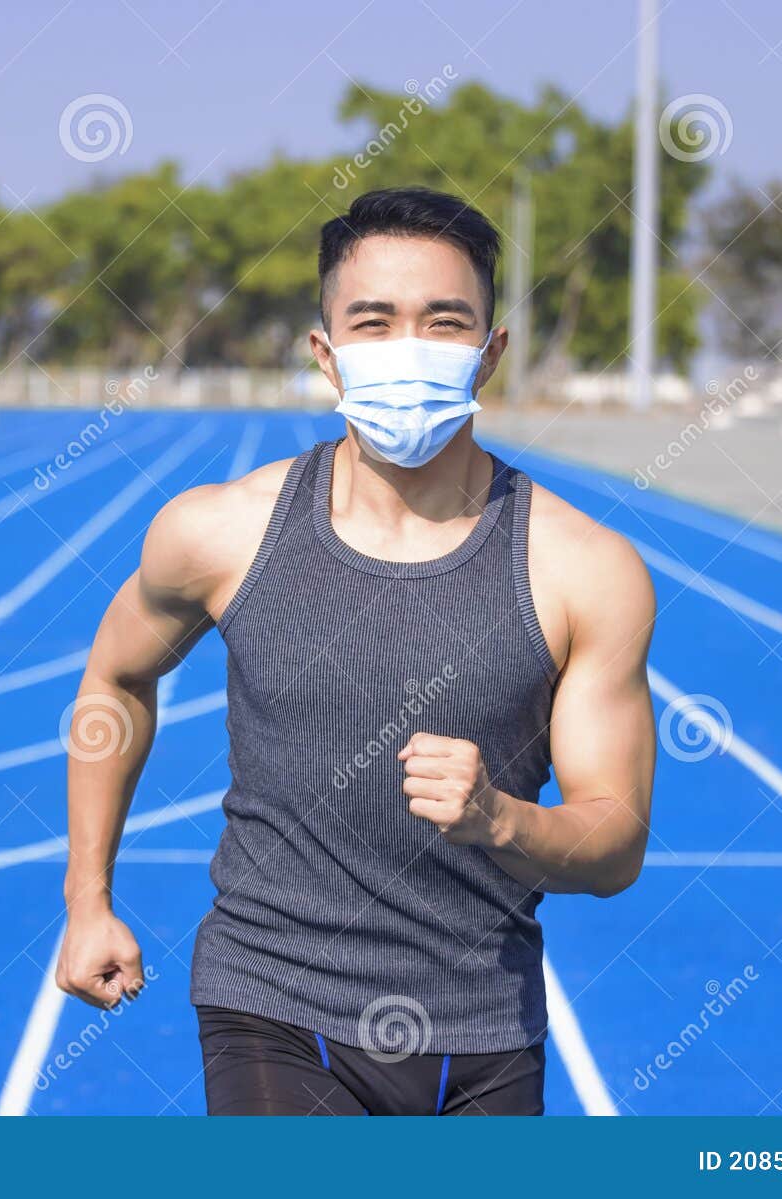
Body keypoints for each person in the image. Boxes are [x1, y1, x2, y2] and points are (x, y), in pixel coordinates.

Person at [57, 186, 656, 1115]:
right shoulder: (218, 534)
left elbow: (615, 843)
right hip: (271, 1001)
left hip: (485, 1028)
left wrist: (501, 820)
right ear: (326, 354)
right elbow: (115, 676)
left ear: (491, 352)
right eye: (373, 322)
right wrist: (87, 899)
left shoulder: (586, 571)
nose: (407, 349)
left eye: (444, 322)